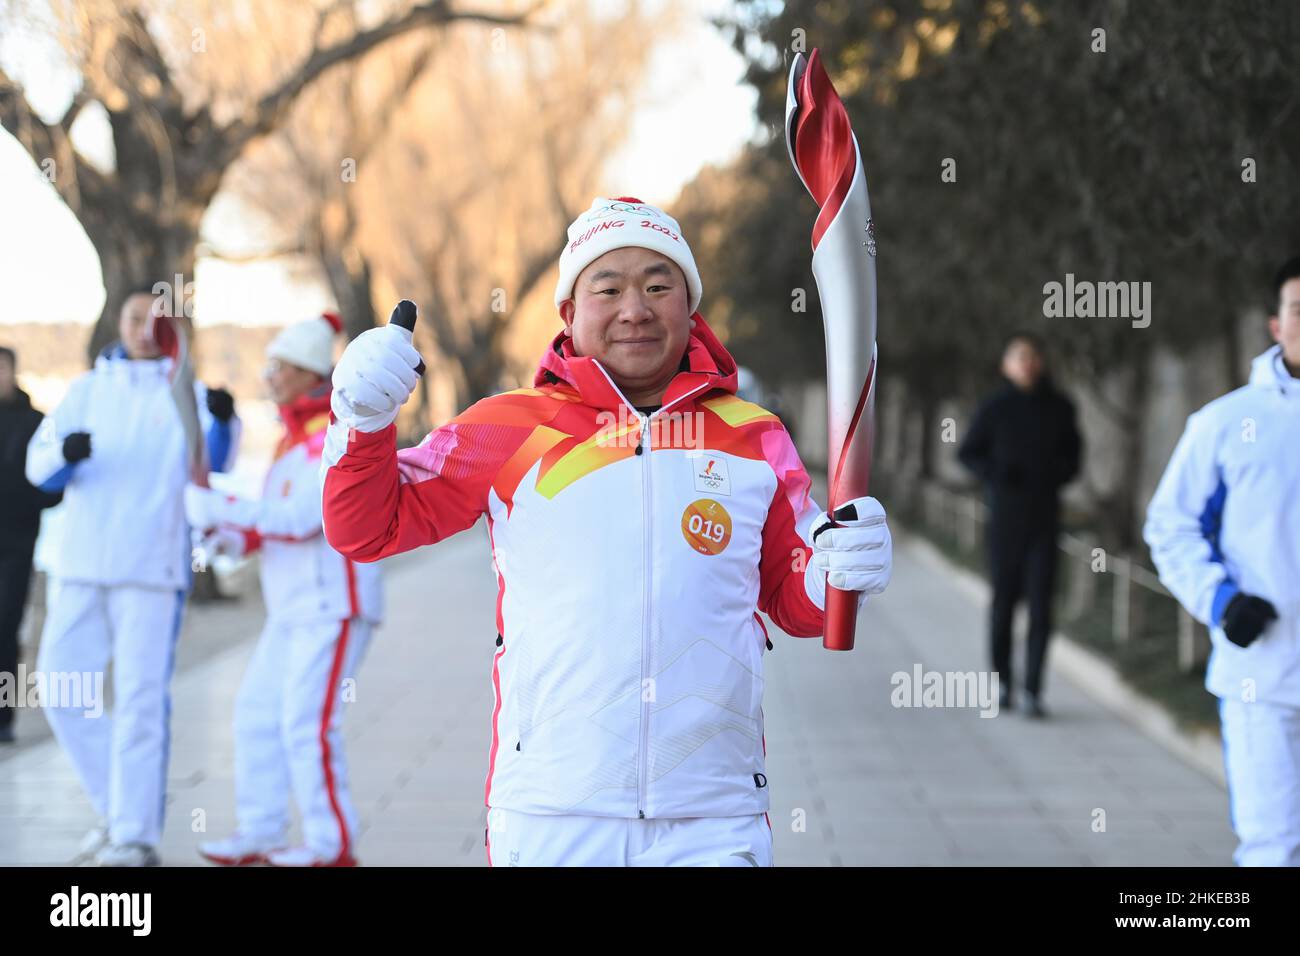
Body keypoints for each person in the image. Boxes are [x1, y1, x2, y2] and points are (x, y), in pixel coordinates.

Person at [321, 196, 893, 867]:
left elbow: (791, 597)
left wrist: (839, 570)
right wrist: (361, 423)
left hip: (710, 812)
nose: (635, 309)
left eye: (658, 285)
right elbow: (366, 527)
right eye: (608, 287)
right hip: (553, 809)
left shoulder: (752, 435)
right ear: (569, 311)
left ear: (689, 305)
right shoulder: (508, 427)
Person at [24, 289, 238, 866]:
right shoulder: (87, 390)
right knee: (63, 687)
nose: (145, 328)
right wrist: (65, 453)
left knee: (141, 700)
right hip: (83, 563)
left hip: (153, 567)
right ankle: (117, 811)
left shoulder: (183, 392)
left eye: (156, 319)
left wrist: (220, 421)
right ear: (119, 322)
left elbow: (213, 463)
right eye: (135, 318)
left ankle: (135, 835)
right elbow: (38, 467)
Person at [184, 312, 381, 867]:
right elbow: (267, 528)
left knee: (306, 724)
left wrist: (221, 505)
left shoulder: (333, 437)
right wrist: (226, 536)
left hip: (333, 603)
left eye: (279, 367)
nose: (267, 376)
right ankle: (263, 829)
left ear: (308, 373)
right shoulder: (287, 447)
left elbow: (302, 519)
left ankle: (330, 845)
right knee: (254, 715)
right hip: (289, 609)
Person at [1144, 257, 1300, 866]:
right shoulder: (1228, 422)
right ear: (1275, 324)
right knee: (1274, 847)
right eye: (1298, 309)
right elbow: (1170, 524)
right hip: (1263, 673)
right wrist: (1221, 600)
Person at [957, 332, 1081, 718]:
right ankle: (1003, 681)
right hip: (1005, 521)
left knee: (1042, 608)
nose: (1027, 363)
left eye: (1033, 356)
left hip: (1045, 520)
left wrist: (1055, 474)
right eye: (1019, 357)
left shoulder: (1060, 407)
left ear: (1040, 362)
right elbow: (967, 452)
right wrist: (996, 474)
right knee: (1004, 604)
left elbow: (1074, 457)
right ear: (1006, 365)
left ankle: (1032, 688)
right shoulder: (995, 407)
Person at [0, 346, 63, 743]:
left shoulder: (36, 423)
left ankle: (4, 717)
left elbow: (52, 489)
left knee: (6, 628)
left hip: (17, 545)